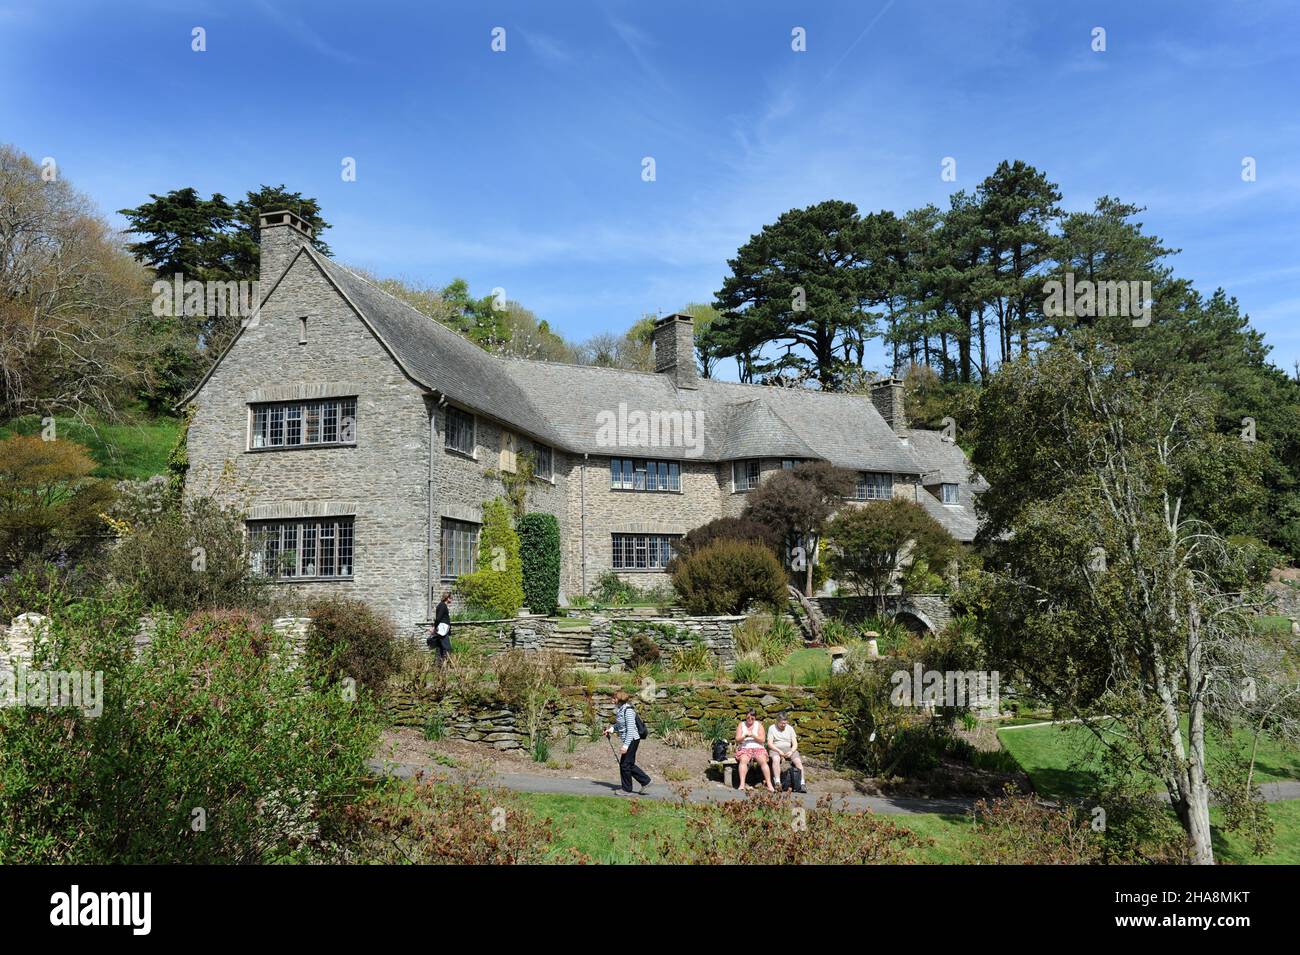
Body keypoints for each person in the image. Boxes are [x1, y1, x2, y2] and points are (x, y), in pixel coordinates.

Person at [604, 690, 651, 796]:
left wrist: (625, 746)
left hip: (632, 740)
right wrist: (610, 729)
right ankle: (645, 781)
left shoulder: (628, 710)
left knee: (625, 765)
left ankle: (627, 789)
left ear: (619, 699)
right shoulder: (621, 709)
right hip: (630, 740)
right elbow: (620, 725)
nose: (612, 700)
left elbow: (630, 729)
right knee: (628, 764)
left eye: (614, 698)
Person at [735, 709, 774, 792]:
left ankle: (769, 784)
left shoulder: (759, 725)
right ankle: (742, 784)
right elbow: (737, 740)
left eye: (752, 718)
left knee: (763, 761)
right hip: (745, 747)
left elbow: (762, 740)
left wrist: (753, 736)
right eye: (748, 717)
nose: (750, 719)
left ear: (755, 718)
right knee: (743, 760)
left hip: (758, 747)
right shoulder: (741, 725)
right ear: (746, 717)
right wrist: (745, 736)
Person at [767, 711, 806, 791]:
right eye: (782, 723)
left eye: (785, 723)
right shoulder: (772, 728)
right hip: (776, 748)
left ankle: (802, 783)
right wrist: (779, 751)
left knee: (798, 761)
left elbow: (795, 744)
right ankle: (777, 782)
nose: (783, 725)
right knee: (776, 759)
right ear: (777, 721)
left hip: (788, 748)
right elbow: (770, 744)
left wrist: (791, 751)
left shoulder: (790, 728)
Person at [428, 592, 453, 665]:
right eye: (451, 598)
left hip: (442, 630)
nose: (452, 600)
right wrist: (434, 628)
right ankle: (444, 665)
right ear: (447, 598)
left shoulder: (441, 605)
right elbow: (438, 618)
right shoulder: (442, 606)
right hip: (442, 631)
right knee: (447, 648)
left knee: (439, 647)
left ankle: (438, 666)